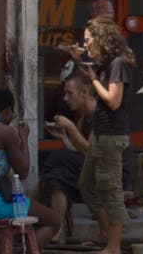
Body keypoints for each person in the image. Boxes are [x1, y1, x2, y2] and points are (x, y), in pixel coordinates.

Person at [70, 18, 135, 254]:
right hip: (101, 134)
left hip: (112, 136)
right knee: (86, 184)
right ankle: (105, 234)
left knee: (111, 191)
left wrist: (94, 79)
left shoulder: (118, 64)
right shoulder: (107, 63)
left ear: (101, 38)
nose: (87, 46)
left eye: (89, 41)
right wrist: (81, 63)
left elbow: (113, 100)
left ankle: (113, 247)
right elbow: (93, 77)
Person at [33, 74, 96, 243]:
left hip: (103, 170)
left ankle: (32, 210)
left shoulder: (99, 114)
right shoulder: (82, 116)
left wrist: (70, 127)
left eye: (70, 93)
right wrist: (63, 137)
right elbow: (77, 151)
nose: (65, 99)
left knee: (55, 158)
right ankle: (57, 229)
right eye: (64, 94)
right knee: (56, 178)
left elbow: (90, 153)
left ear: (84, 93)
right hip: (83, 169)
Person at [0, 89, 61, 251]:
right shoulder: (5, 132)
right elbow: (23, 172)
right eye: (12, 114)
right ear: (7, 111)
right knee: (54, 220)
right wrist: (23, 138)